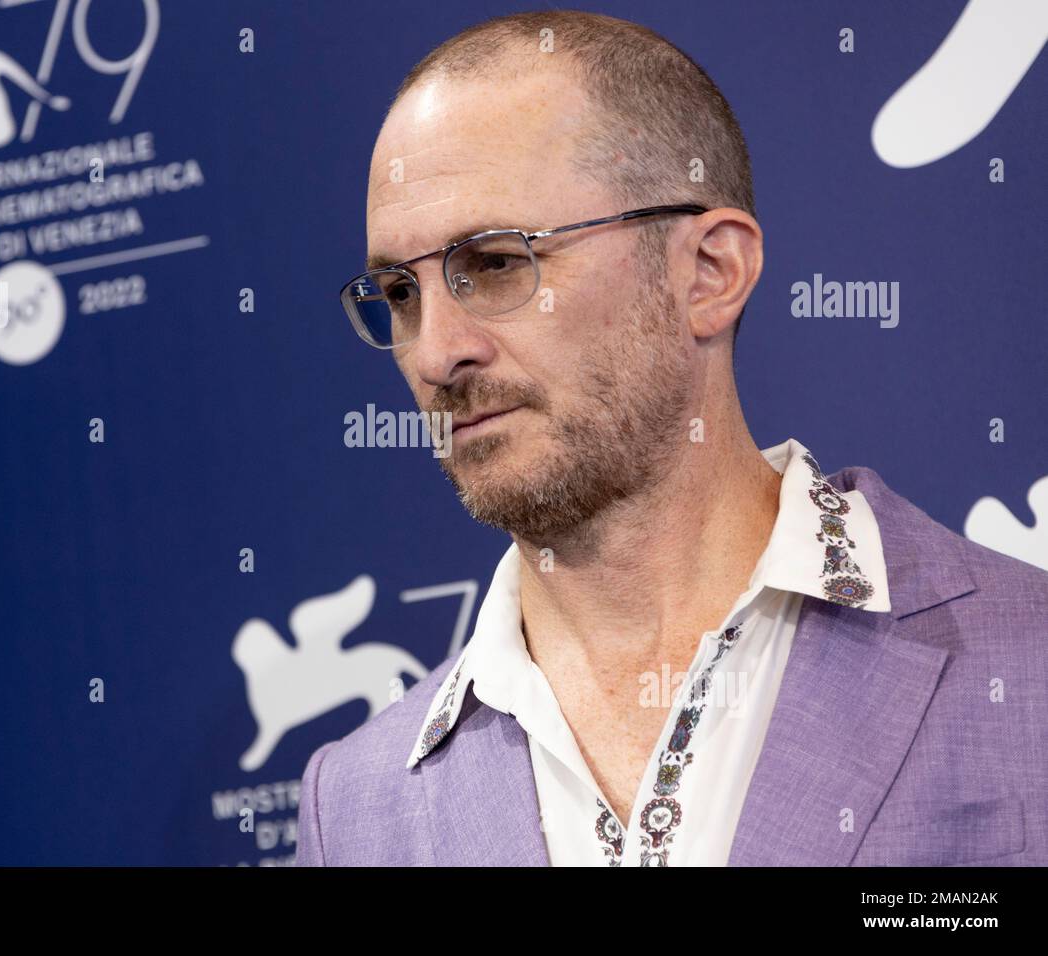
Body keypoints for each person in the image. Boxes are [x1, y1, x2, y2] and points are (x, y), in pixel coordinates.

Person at [297, 10, 1048, 866]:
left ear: (709, 273)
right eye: (399, 293)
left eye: (498, 263)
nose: (435, 352)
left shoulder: (1027, 668)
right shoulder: (355, 809)